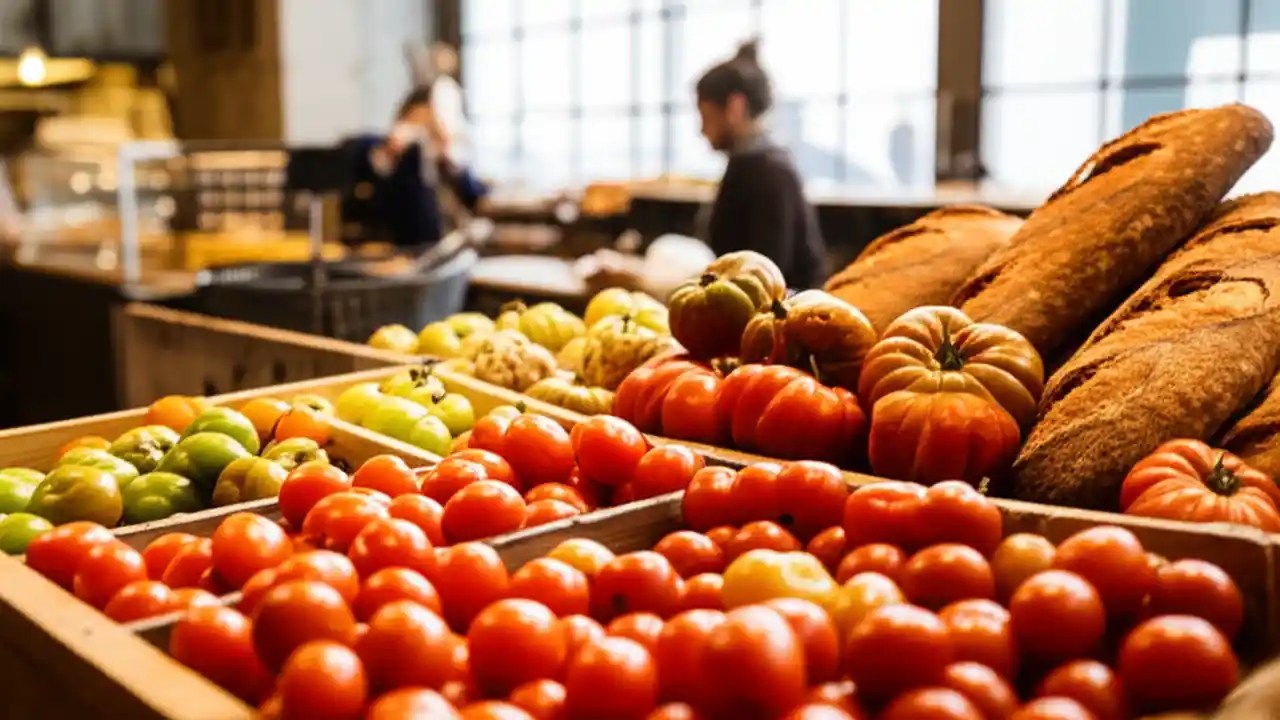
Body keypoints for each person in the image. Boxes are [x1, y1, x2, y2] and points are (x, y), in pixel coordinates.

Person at [695, 39, 828, 289]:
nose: (702, 129)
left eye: (705, 116)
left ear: (735, 107)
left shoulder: (769, 175)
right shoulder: (748, 166)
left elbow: (762, 279)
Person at [348, 86, 447, 249]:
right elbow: (380, 166)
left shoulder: (430, 142)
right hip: (403, 218)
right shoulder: (398, 136)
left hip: (428, 220)